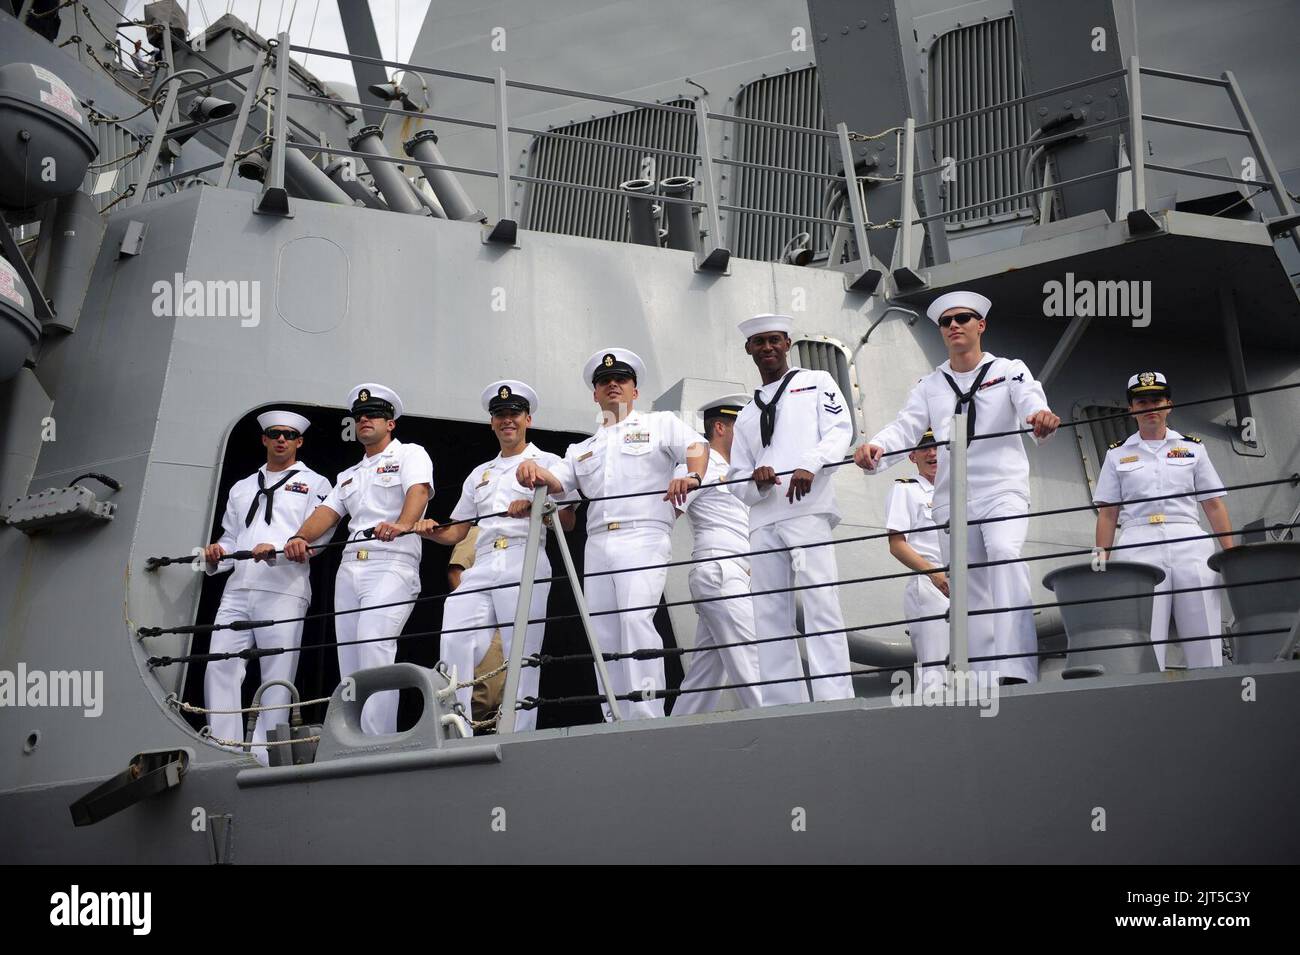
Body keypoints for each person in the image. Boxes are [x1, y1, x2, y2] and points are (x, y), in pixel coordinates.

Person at [856, 290, 1059, 684]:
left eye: (963, 318)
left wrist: (1040, 417)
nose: (954, 326)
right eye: (946, 322)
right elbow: (906, 427)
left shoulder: (1009, 369)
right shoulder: (931, 384)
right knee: (970, 583)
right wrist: (877, 448)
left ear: (980, 325)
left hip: (1002, 488)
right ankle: (984, 674)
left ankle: (1016, 666)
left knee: (1003, 554)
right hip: (954, 498)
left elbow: (1029, 401)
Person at [516, 348, 707, 720]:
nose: (612, 385)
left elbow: (697, 448)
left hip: (644, 533)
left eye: (621, 379)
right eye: (604, 382)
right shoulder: (582, 449)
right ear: (595, 394)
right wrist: (533, 469)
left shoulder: (660, 423)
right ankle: (614, 716)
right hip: (598, 541)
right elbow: (562, 485)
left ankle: (647, 714)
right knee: (603, 631)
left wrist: (692, 475)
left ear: (635, 390)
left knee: (635, 620)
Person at [269, 384, 432, 735]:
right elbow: (326, 513)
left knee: (374, 644)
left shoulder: (410, 454)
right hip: (350, 566)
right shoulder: (349, 475)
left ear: (390, 423)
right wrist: (299, 537)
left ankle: (379, 739)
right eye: (359, 417)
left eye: (373, 415)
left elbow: (417, 491)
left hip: (391, 559)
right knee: (351, 657)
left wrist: (403, 525)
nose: (364, 420)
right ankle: (355, 737)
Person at [415, 380, 572, 730]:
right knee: (455, 635)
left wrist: (537, 504)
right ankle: (458, 728)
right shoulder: (479, 473)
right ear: (492, 422)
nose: (507, 421)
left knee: (522, 652)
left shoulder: (549, 462)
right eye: (500, 415)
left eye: (514, 413)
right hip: (483, 561)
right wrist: (432, 530)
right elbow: (459, 528)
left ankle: (519, 734)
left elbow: (568, 518)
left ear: (528, 418)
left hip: (523, 555)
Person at [729, 314, 855, 704]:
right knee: (768, 611)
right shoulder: (747, 413)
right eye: (758, 343)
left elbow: (839, 430)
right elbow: (736, 475)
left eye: (774, 340)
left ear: (787, 344)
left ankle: (834, 696)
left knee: (820, 601)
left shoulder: (815, 383)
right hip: (764, 517)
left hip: (807, 508)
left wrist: (810, 464)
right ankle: (784, 700)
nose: (767, 348)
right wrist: (756, 479)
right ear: (749, 350)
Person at [203, 411, 331, 764]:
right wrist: (217, 553)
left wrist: (277, 550)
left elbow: (318, 539)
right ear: (264, 439)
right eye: (274, 434)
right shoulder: (242, 486)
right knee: (221, 664)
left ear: (299, 442)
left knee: (276, 674)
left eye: (289, 435)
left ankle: (263, 754)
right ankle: (223, 746)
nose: (281, 440)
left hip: (283, 587)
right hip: (239, 586)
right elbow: (232, 537)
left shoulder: (316, 483)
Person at [1094, 372, 1233, 669]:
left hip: (1189, 540)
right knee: (1146, 637)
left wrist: (1230, 553)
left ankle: (1213, 697)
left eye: (1156, 400)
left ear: (1169, 404)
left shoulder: (1194, 448)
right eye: (1141, 401)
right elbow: (1108, 513)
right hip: (1138, 541)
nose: (1150, 407)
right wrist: (1099, 559)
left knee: (1205, 634)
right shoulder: (1117, 455)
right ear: (1131, 409)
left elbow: (1213, 504)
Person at [672, 394, 763, 715]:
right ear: (721, 427)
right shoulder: (701, 465)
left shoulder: (738, 471)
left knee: (704, 677)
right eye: (743, 426)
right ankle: (785, 729)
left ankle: (673, 740)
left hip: (736, 574)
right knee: (753, 659)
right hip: (719, 571)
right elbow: (670, 509)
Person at [883, 429, 949, 693]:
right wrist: (934, 574)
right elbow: (897, 545)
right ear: (912, 456)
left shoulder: (960, 489)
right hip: (931, 585)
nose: (932, 453)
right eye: (924, 448)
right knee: (936, 672)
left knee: (977, 669)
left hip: (968, 584)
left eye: (936, 446)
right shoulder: (906, 490)